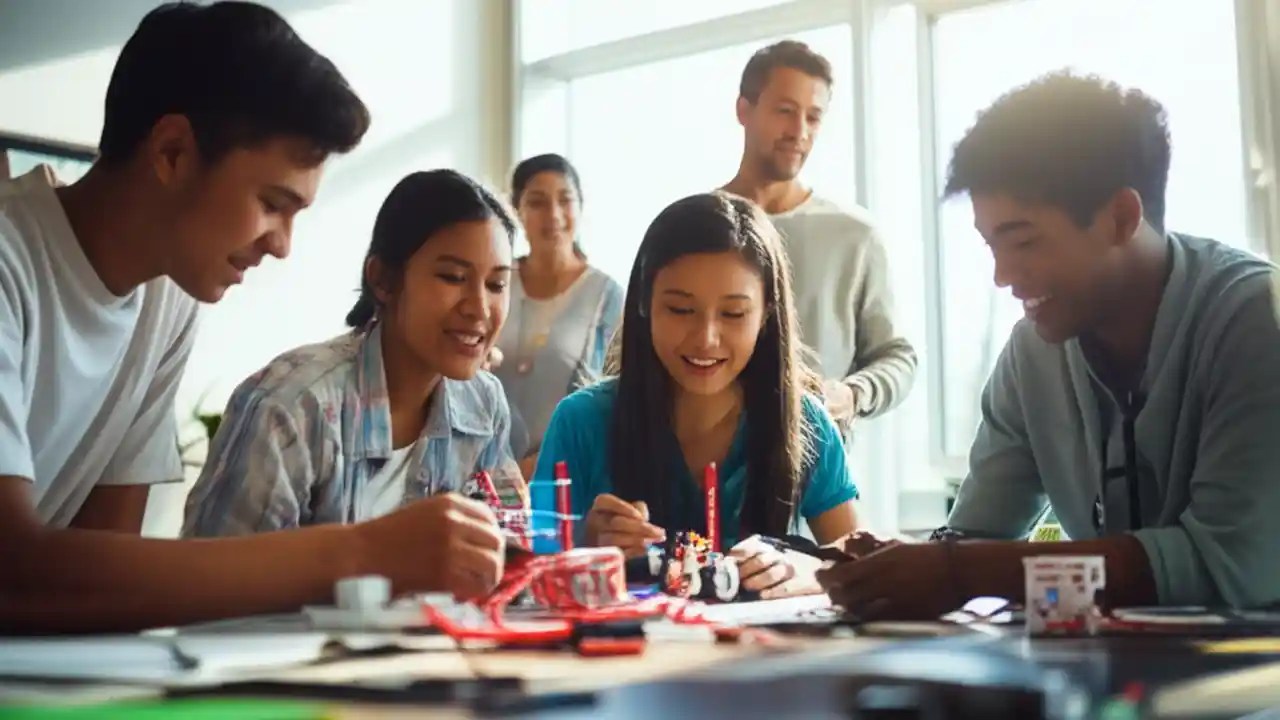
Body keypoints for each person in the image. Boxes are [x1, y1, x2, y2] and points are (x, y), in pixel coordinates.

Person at [0, 2, 505, 634]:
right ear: (173, 153)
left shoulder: (166, 298)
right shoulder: (12, 263)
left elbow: (109, 576)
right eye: (272, 203)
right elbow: (11, 568)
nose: (282, 244)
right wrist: (363, 553)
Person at [819, 72, 1280, 619]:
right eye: (991, 246)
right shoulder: (1033, 354)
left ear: (1121, 218)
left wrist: (961, 572)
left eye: (1023, 242)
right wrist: (905, 562)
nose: (1002, 276)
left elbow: (1231, 565)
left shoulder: (1256, 319)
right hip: (1121, 666)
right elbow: (979, 533)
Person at [534, 192, 860, 599]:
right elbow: (530, 565)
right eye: (680, 310)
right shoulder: (580, 421)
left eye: (733, 314)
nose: (706, 338)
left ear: (766, 314)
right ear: (643, 303)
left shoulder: (804, 422)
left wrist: (807, 568)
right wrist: (583, 545)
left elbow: (856, 563)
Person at [184, 170, 524, 535]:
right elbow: (215, 567)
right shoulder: (291, 410)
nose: (480, 308)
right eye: (453, 277)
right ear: (383, 280)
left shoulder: (484, 404)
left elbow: (509, 537)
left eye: (496, 284)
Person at [721, 40, 916, 434]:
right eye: (785, 111)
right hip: (702, 462)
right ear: (744, 110)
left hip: (818, 463)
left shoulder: (855, 236)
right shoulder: (692, 227)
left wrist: (852, 394)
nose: (800, 132)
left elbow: (897, 357)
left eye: (813, 117)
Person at [491, 154, 623, 480]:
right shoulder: (495, 281)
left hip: (564, 471)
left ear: (580, 207)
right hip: (482, 471)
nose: (553, 215)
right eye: (537, 202)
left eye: (565, 200)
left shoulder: (607, 297)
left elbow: (615, 398)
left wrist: (541, 463)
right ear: (516, 210)